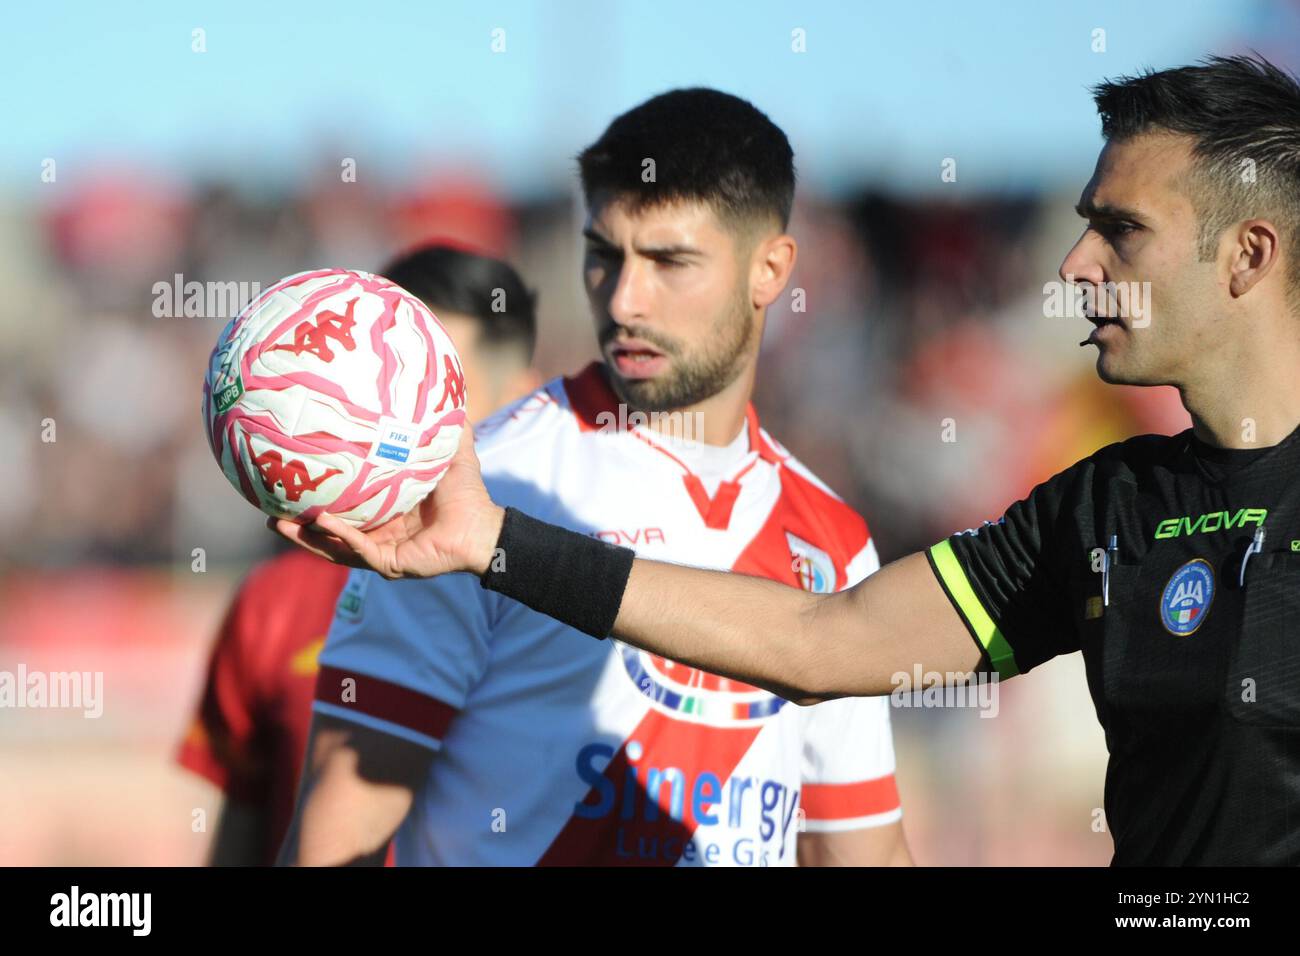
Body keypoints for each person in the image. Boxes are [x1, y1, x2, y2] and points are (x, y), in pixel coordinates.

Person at [279, 55, 1300, 866]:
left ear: (1246, 254)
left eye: (1119, 230)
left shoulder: (821, 519)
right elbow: (820, 641)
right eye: (605, 255)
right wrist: (495, 541)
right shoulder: (1106, 505)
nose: (1075, 265)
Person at [278, 88, 911, 867]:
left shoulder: (835, 541)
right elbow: (333, 843)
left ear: (771, 269)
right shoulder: (473, 493)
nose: (623, 299)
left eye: (669, 261)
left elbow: (860, 853)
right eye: (603, 255)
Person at [178, 243, 540, 865]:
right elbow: (244, 825)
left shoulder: (557, 599)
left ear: (521, 397)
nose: (374, 426)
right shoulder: (273, 602)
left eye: (424, 394)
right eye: (352, 391)